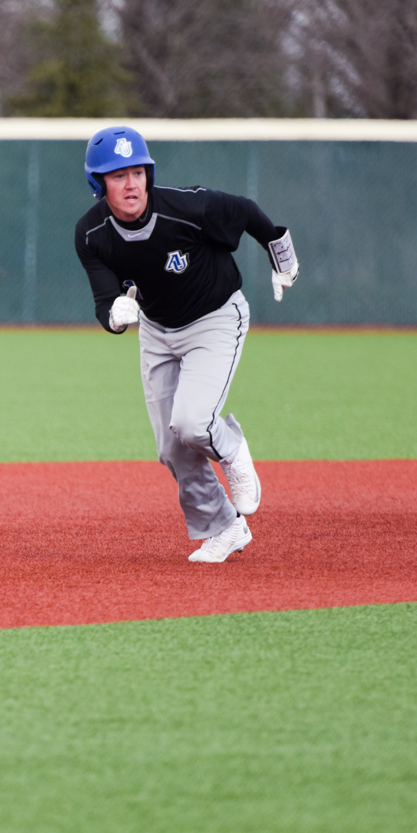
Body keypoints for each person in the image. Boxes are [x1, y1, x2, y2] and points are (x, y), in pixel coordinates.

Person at [74, 126, 298, 563]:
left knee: (194, 424)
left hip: (215, 318)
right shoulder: (91, 234)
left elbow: (248, 212)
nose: (131, 183)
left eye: (138, 171)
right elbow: (106, 302)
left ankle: (231, 449)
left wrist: (282, 257)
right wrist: (114, 318)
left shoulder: (188, 207)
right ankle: (226, 528)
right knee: (171, 447)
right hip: (158, 331)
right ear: (98, 184)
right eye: (117, 175)